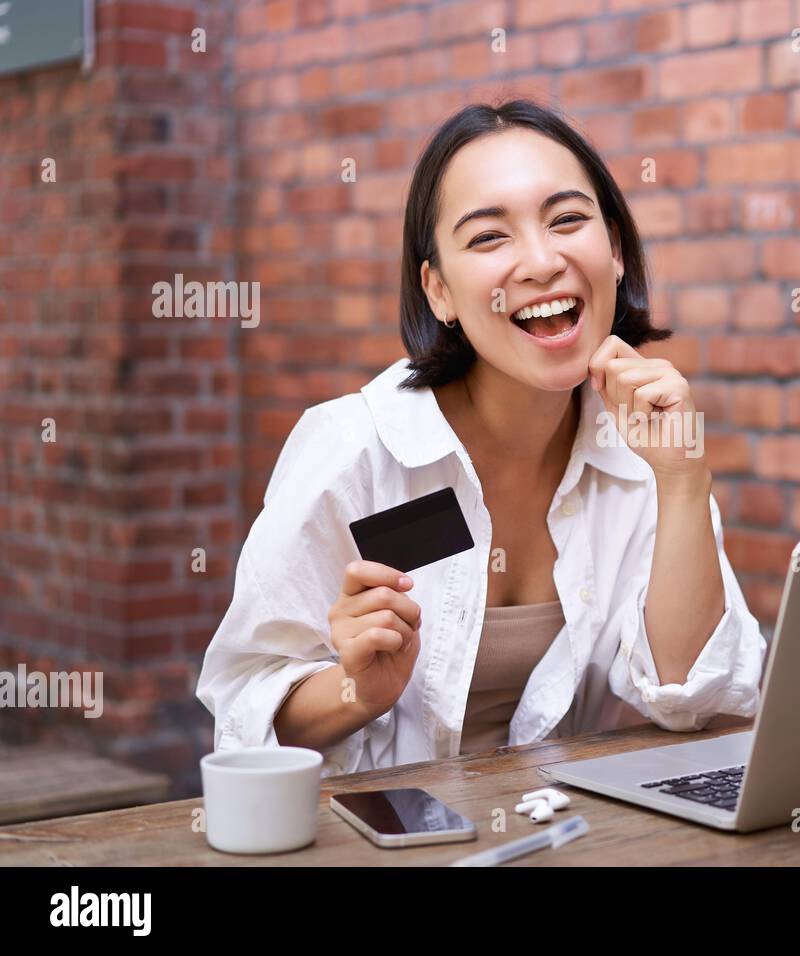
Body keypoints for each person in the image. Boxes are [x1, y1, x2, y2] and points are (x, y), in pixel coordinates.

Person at [196, 99, 767, 776]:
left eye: (567, 220)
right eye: (490, 237)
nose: (540, 260)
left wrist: (682, 481)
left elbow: (691, 699)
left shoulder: (644, 453)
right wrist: (358, 690)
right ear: (438, 291)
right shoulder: (357, 448)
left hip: (571, 833)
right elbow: (241, 706)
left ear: (614, 250)